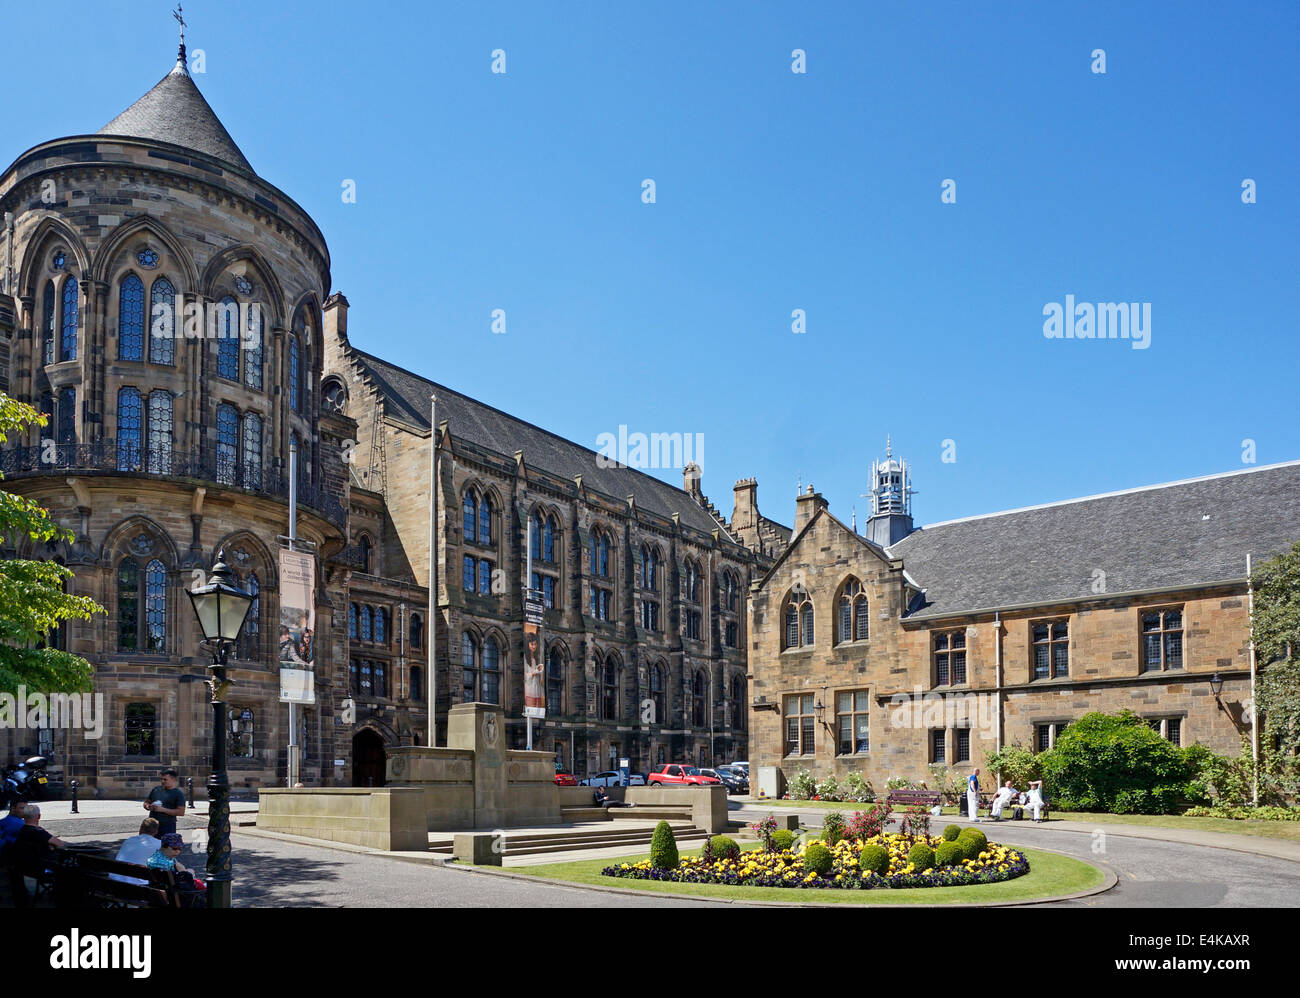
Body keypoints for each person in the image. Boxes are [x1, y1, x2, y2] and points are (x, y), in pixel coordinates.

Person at [9, 804, 66, 906]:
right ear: (39, 816)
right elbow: (61, 844)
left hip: (26, 868)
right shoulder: (38, 832)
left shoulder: (22, 831)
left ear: (23, 816)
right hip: (41, 869)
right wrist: (51, 846)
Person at [110, 818, 161, 885]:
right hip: (138, 884)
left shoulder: (129, 840)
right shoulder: (159, 844)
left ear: (140, 829)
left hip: (114, 880)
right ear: (156, 831)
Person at [144, 769, 186, 837]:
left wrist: (162, 809)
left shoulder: (178, 793)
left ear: (173, 779)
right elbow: (147, 802)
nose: (162, 781)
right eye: (161, 779)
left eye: (165, 779)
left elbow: (181, 812)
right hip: (152, 824)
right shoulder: (156, 790)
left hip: (167, 825)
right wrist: (148, 806)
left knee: (166, 846)